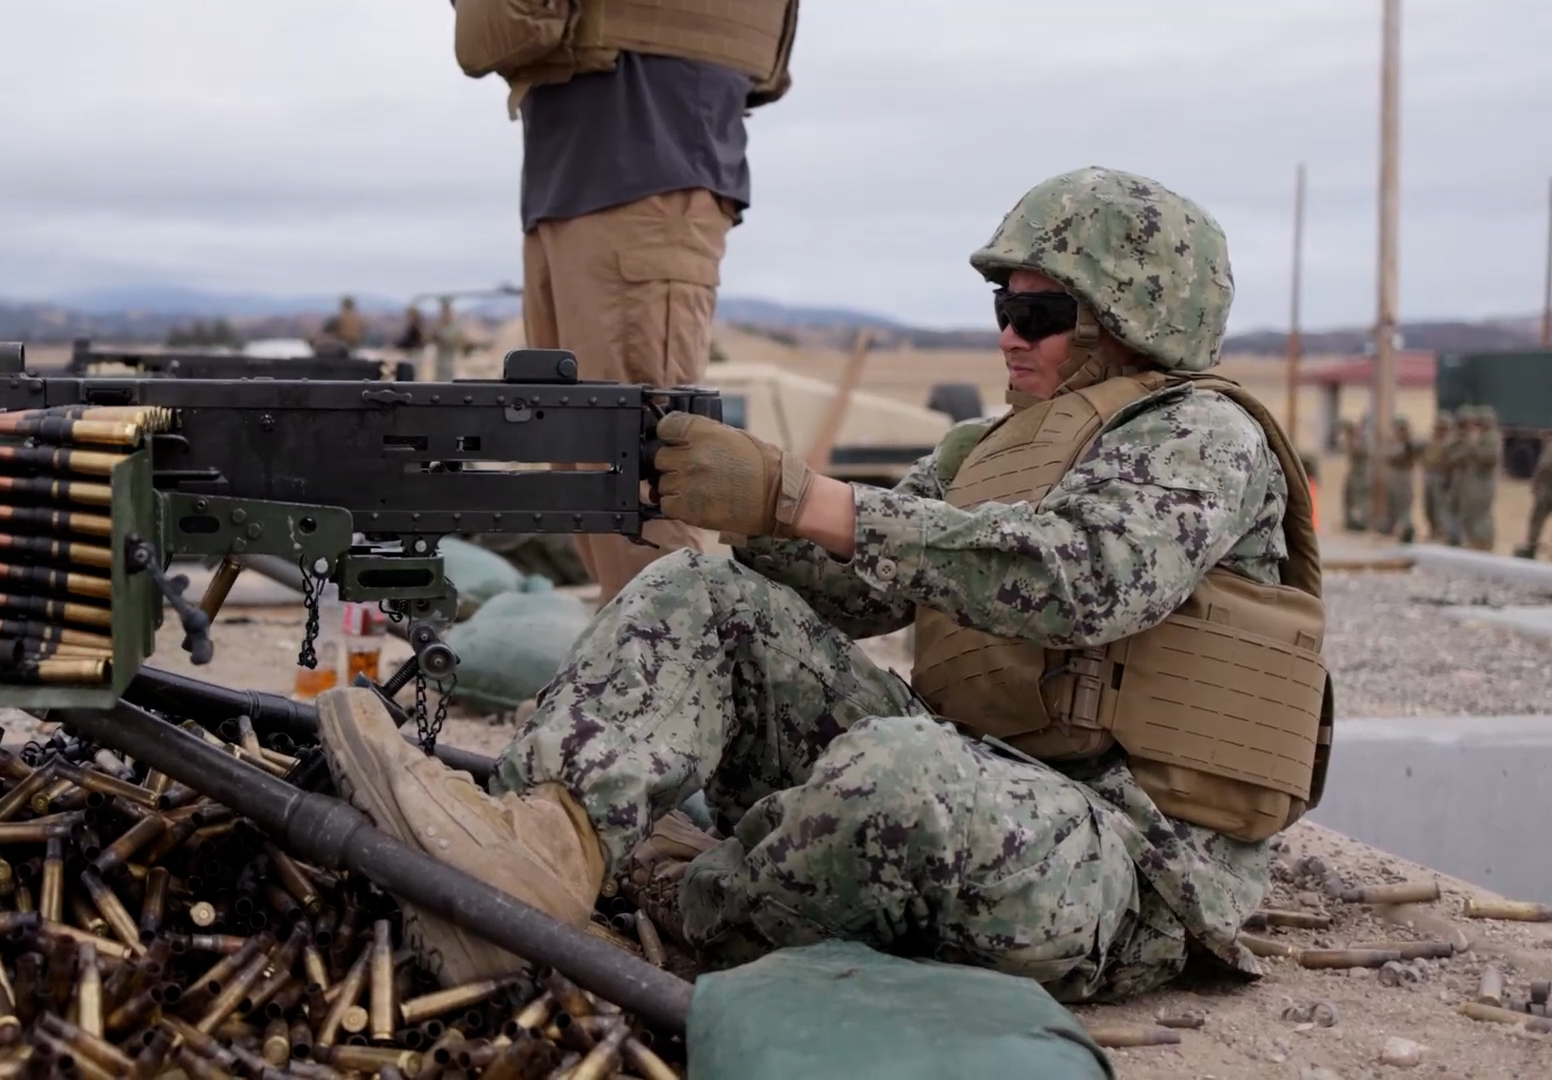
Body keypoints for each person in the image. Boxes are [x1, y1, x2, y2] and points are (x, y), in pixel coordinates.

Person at [318, 168, 1328, 1005]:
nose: (1009, 334)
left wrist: (803, 498)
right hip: (994, 781)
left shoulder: (1208, 437)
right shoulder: (996, 447)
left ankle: (684, 901)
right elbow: (858, 592)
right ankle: (544, 850)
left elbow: (1081, 578)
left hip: (1133, 868)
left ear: (1130, 322)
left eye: (1041, 311)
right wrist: (733, 505)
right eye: (1003, 308)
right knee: (705, 594)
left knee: (902, 777)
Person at [449, 0, 798, 607]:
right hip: (577, 176)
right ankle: (626, 674)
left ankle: (665, 686)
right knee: (585, 461)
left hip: (647, 174)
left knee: (639, 472)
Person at [1455, 405, 1500, 551]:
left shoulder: (1491, 438)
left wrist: (1472, 448)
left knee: (1480, 517)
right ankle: (1475, 544)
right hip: (1474, 483)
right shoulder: (1482, 438)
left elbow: (1489, 457)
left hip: (1482, 484)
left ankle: (1484, 545)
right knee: (1470, 515)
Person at [1377, 415, 1419, 543]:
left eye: (1402, 429)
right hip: (1393, 478)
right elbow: (1387, 456)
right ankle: (1390, 527)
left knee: (1404, 506)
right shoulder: (1393, 443)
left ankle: (1407, 530)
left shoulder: (1410, 444)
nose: (1399, 432)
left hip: (1404, 478)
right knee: (1392, 505)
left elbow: (1404, 456)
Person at [1421, 414, 1461, 545]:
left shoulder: (1450, 443)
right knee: (1429, 506)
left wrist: (1446, 476)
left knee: (1440, 507)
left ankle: (1441, 534)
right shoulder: (1432, 441)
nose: (1440, 430)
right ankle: (1433, 531)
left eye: (1443, 428)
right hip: (1429, 474)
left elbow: (1449, 462)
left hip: (1440, 476)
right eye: (1438, 427)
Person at [1517, 435, 1552, 559]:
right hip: (1544, 491)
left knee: (1536, 521)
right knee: (1536, 521)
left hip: (1546, 491)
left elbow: (1545, 466)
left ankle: (1531, 548)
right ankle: (1531, 547)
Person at [1339, 418, 1370, 531]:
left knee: (1361, 499)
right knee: (1348, 497)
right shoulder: (1349, 440)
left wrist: (1354, 441)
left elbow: (1362, 452)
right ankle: (1350, 521)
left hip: (1361, 473)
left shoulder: (1360, 440)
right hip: (1353, 472)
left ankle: (1363, 522)